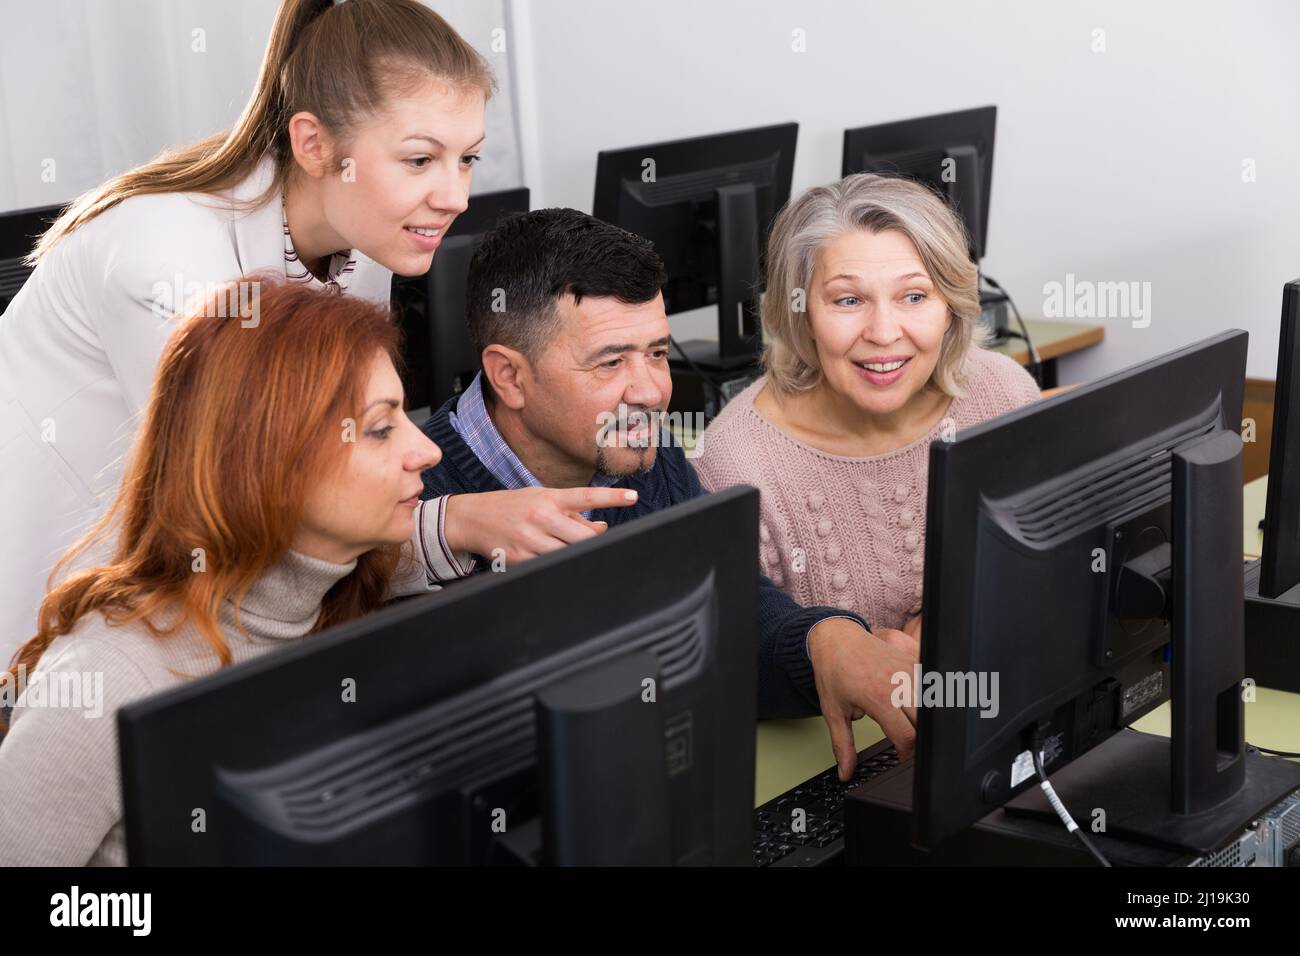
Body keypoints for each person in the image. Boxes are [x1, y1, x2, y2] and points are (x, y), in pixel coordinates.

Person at [0, 0, 496, 663]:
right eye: (419, 160)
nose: (455, 195)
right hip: (54, 639)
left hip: (198, 610)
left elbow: (352, 465)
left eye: (468, 159)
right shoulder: (169, 262)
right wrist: (456, 524)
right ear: (315, 145)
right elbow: (270, 508)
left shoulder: (360, 248)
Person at [418, 208, 922, 777]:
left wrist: (823, 643)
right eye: (610, 362)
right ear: (509, 376)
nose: (653, 391)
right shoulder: (417, 503)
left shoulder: (638, 449)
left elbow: (722, 608)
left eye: (657, 353)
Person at [0, 281, 462, 866]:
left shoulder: (345, 600)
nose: (427, 451)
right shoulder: (108, 680)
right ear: (266, 455)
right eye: (379, 428)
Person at [695, 172, 1040, 640]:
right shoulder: (736, 464)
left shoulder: (1001, 394)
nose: (883, 332)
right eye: (849, 300)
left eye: (913, 296)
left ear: (950, 307)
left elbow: (1045, 567)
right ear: (803, 316)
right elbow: (730, 660)